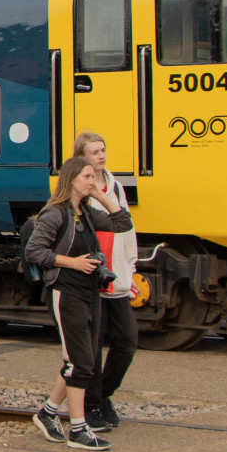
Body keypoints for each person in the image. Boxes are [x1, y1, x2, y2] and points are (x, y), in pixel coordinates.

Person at [25, 156, 134, 451]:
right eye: (87, 177)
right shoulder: (55, 214)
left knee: (77, 362)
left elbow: (123, 222)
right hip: (66, 292)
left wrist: (99, 195)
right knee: (82, 364)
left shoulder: (85, 212)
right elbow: (35, 251)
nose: (92, 180)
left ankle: (48, 414)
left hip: (90, 294)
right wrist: (72, 263)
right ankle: (78, 429)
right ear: (72, 179)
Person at [74, 130, 137, 433]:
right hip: (92, 275)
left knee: (126, 340)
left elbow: (127, 227)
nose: (101, 156)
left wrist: (132, 268)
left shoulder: (114, 185)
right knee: (93, 343)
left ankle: (105, 394)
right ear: (81, 157)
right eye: (95, 151)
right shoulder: (78, 189)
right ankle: (91, 404)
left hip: (117, 274)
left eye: (103, 150)